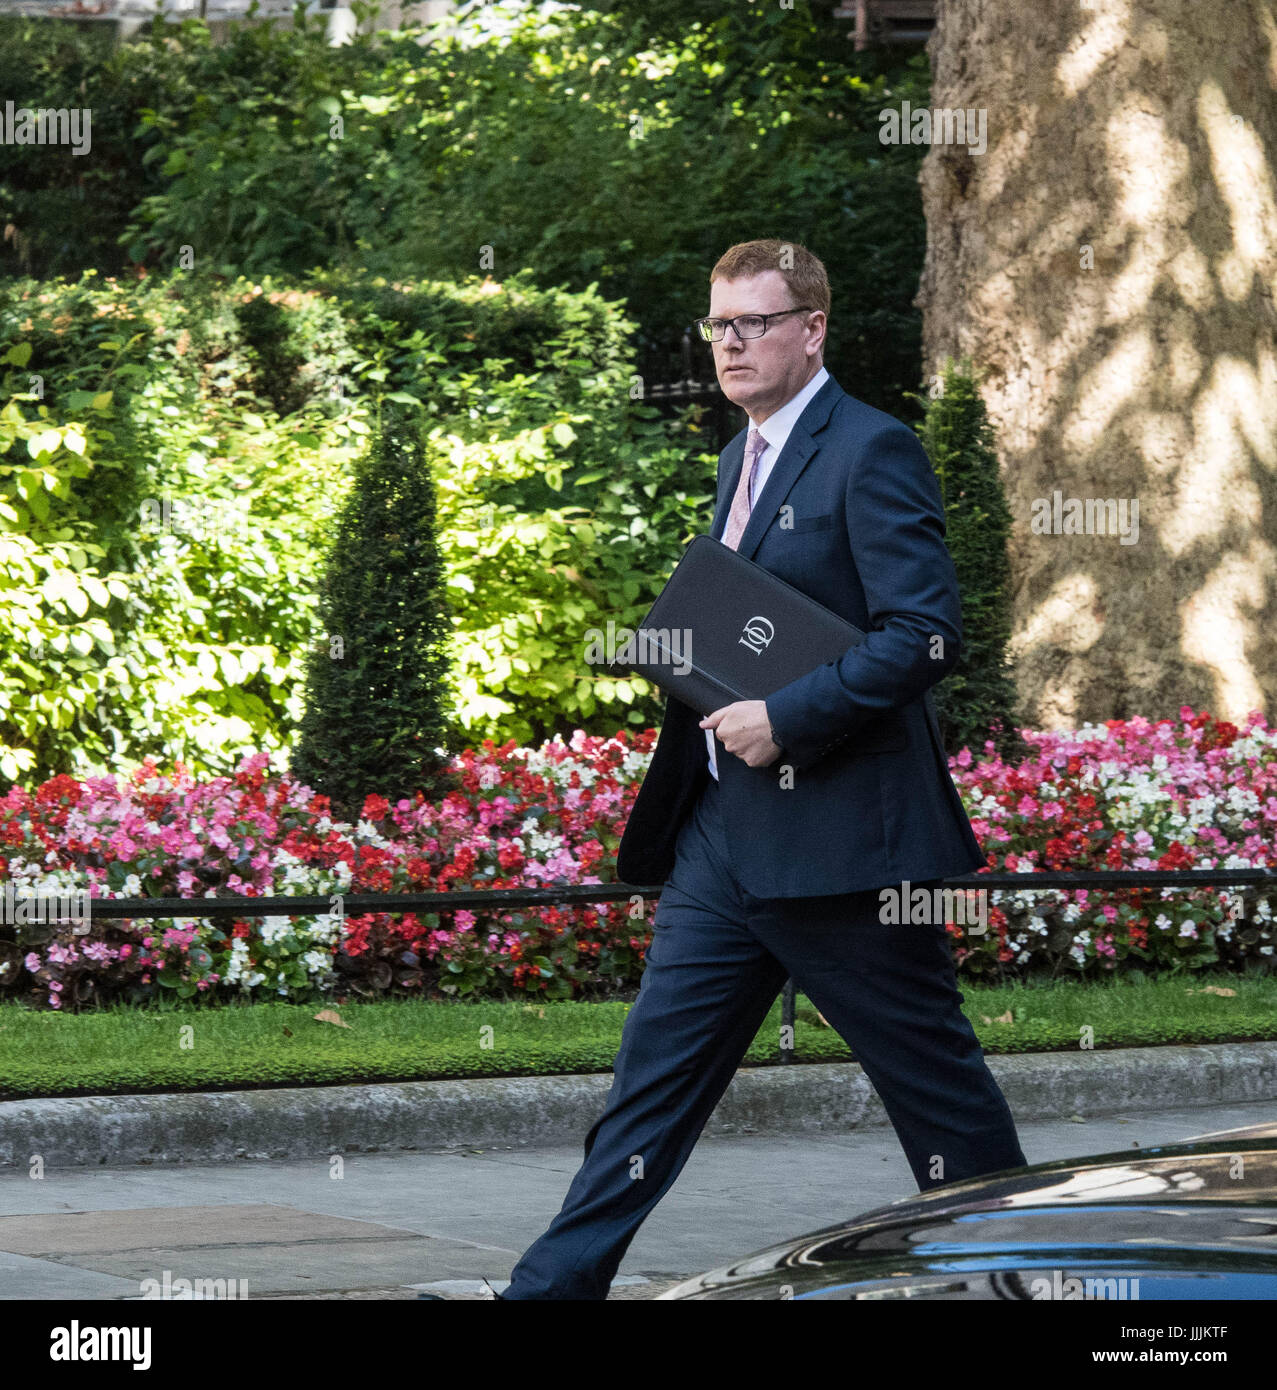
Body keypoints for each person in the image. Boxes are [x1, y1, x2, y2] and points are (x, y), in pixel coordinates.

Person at [495, 238, 1025, 1301]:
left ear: (811, 329)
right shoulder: (740, 454)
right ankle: (545, 1294)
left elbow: (923, 633)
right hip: (719, 841)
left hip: (842, 848)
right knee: (645, 1095)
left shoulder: (871, 449)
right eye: (718, 325)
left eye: (753, 323)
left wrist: (786, 715)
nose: (730, 345)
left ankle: (1042, 1282)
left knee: (940, 1104)